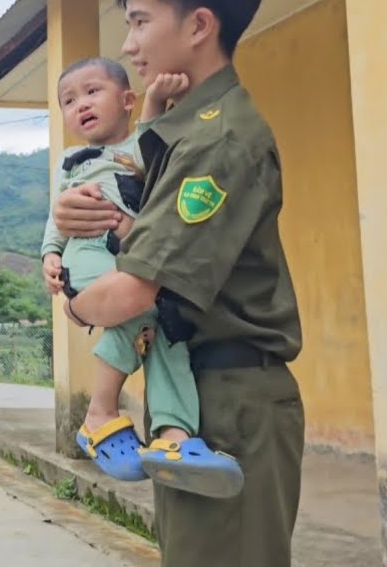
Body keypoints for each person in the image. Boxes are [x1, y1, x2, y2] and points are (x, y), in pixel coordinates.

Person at [53, 0, 305, 566]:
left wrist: (75, 303)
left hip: (230, 398)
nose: (130, 45)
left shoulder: (216, 144)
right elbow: (135, 224)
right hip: (200, 392)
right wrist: (74, 217)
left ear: (199, 25)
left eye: (140, 22)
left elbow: (136, 289)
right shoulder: (181, 133)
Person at [41, 57, 243, 496]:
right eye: (69, 101)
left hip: (132, 257)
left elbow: (151, 145)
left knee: (166, 329)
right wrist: (50, 255)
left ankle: (173, 435)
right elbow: (58, 215)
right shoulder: (71, 160)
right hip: (88, 255)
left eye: (93, 92)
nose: (81, 105)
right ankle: (99, 410)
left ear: (126, 100)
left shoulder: (135, 148)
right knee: (143, 301)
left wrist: (154, 100)